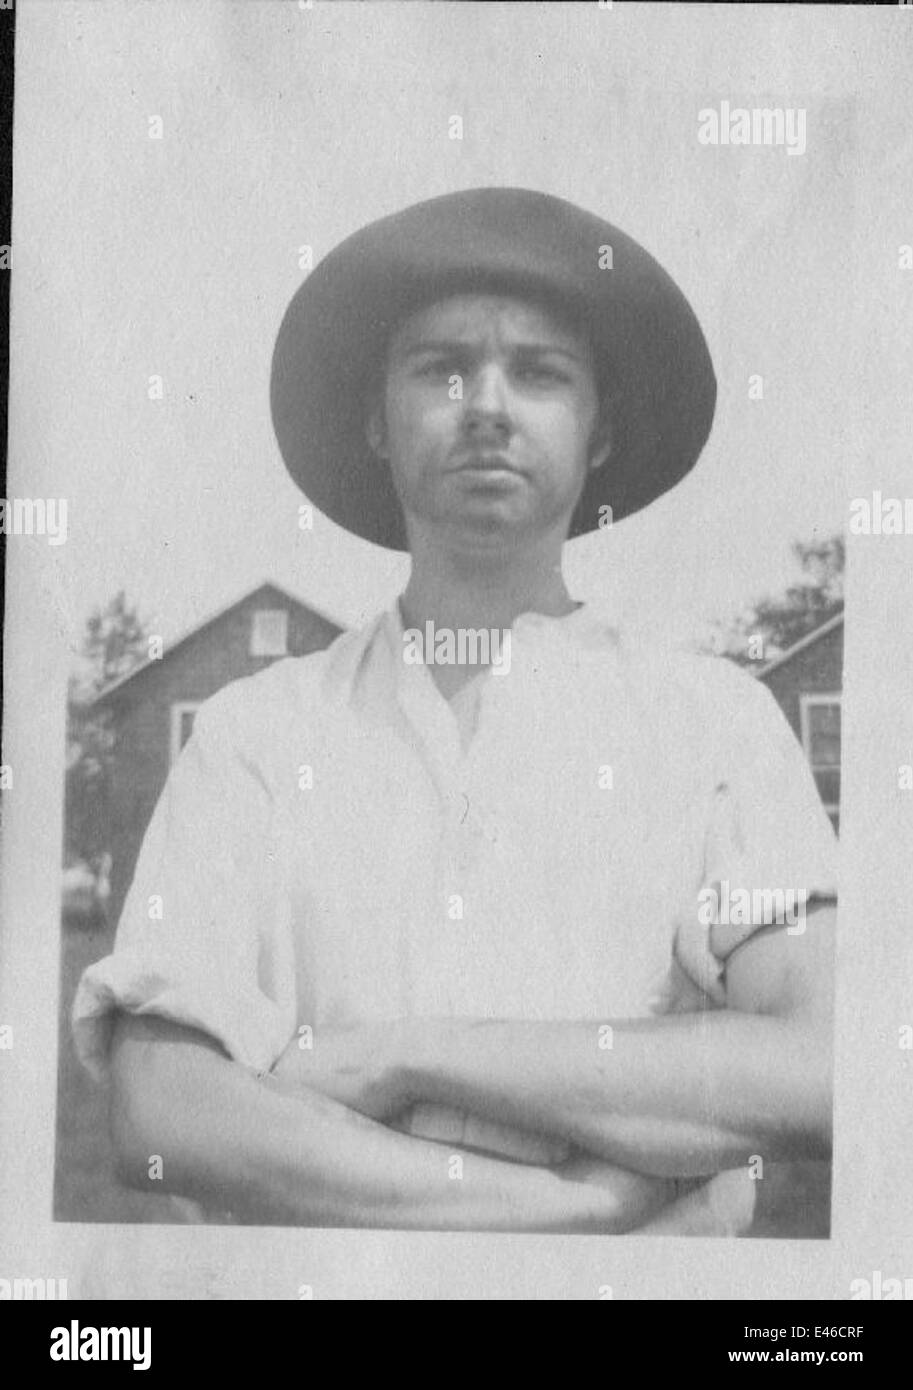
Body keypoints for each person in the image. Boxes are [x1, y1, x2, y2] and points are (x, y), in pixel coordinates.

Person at [72, 188, 838, 1234]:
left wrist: (408, 1052)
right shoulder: (257, 735)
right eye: (440, 368)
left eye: (538, 371)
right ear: (376, 424)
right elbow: (160, 1111)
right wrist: (557, 1206)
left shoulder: (716, 723)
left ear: (599, 428)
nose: (486, 404)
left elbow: (819, 1063)